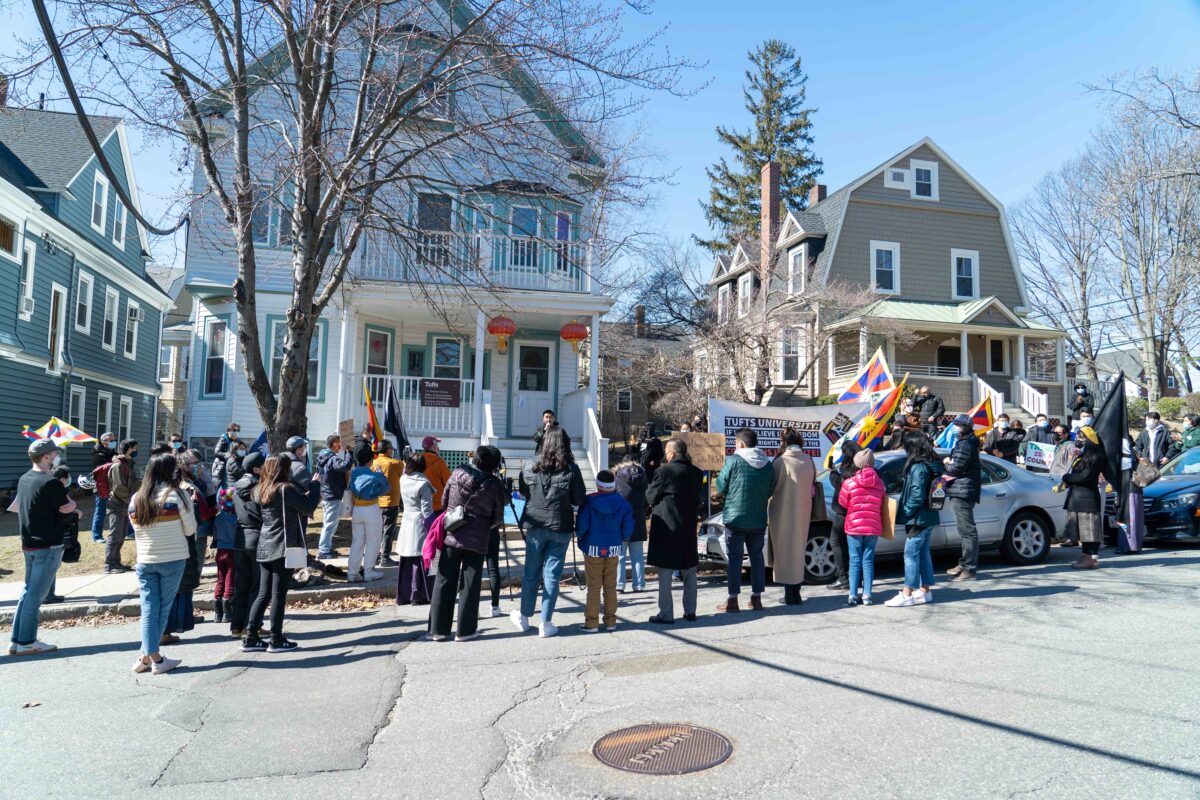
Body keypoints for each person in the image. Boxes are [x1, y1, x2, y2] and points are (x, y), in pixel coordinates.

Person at [243, 454, 322, 653]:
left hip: (265, 542)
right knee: (278, 595)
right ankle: (276, 639)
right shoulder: (285, 489)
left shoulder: (259, 489)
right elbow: (308, 507)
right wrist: (315, 486)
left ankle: (250, 637)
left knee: (263, 593)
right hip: (283, 545)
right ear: (283, 470)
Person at [513, 427, 586, 637]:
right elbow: (579, 500)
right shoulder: (571, 469)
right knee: (552, 576)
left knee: (530, 574)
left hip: (535, 525)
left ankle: (525, 617)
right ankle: (545, 622)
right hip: (559, 525)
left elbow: (524, 493)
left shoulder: (528, 466)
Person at [428, 446, 506, 642]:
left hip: (452, 532)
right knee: (470, 585)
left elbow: (445, 501)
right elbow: (497, 518)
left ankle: (438, 629)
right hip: (478, 538)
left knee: (444, 580)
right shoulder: (495, 485)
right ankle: (465, 630)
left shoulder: (457, 472)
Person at [7, 440, 75, 656]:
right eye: (54, 454)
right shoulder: (50, 483)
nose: (56, 458)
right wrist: (74, 507)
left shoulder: (25, 479)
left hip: (29, 544)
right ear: (46, 457)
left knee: (28, 592)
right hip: (48, 545)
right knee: (35, 595)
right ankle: (27, 641)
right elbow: (66, 510)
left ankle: (17, 640)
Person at [128, 453, 194, 672]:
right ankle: (155, 658)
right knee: (162, 609)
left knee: (149, 609)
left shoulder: (137, 498)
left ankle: (146, 658)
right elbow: (190, 529)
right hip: (172, 558)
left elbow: (135, 527)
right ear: (171, 472)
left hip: (145, 559)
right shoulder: (177, 495)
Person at [714, 427, 775, 613]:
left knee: (735, 559)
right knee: (757, 558)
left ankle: (733, 600)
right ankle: (756, 599)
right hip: (758, 517)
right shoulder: (768, 464)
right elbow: (771, 489)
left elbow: (720, 485)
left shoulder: (733, 461)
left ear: (740, 443)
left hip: (735, 517)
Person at [647, 439, 704, 624]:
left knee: (665, 573)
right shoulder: (696, 472)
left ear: (671, 453)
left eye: (666, 451)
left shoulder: (664, 471)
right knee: (689, 571)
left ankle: (666, 613)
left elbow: (650, 496)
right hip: (687, 527)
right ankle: (690, 611)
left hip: (667, 528)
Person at [885, 433, 940, 607]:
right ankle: (925, 591)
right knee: (923, 554)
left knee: (910, 555)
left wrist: (906, 512)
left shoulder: (918, 468)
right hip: (928, 516)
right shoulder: (931, 464)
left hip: (919, 518)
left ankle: (907, 593)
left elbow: (917, 495)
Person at [576, 470, 634, 633]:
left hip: (592, 548)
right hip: (613, 549)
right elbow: (628, 527)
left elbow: (582, 525)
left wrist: (580, 537)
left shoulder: (588, 501)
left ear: (598, 485)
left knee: (593, 587)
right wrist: (623, 538)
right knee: (610, 586)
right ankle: (610, 621)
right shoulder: (623, 504)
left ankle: (591, 623)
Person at [768, 427, 816, 605]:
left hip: (781, 511)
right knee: (798, 548)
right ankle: (796, 592)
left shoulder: (780, 462)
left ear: (784, 442)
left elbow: (770, 486)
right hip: (803, 511)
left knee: (784, 550)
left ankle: (789, 593)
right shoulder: (809, 460)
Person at [838, 449, 886, 606]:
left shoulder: (849, 483)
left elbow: (843, 503)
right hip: (873, 526)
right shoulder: (880, 484)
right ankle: (867, 595)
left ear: (857, 463)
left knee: (854, 560)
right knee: (868, 561)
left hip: (854, 526)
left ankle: (852, 595)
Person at [229, 452, 265, 638]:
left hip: (239, 538)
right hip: (257, 536)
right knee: (257, 586)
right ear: (256, 469)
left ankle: (237, 626)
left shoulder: (235, 487)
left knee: (241, 584)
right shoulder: (259, 487)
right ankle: (252, 626)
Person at [1061, 427, 1106, 570]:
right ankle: (1086, 555)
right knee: (1083, 532)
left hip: (1087, 498)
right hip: (1078, 497)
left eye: (1081, 437)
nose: (1079, 440)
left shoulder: (1095, 455)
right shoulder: (1085, 453)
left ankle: (1091, 559)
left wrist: (1066, 477)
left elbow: (1085, 477)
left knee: (1090, 532)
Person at [944, 414, 982, 581]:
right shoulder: (966, 442)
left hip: (963, 490)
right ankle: (964, 563)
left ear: (964, 427)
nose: (955, 427)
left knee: (967, 531)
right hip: (962, 489)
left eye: (957, 425)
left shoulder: (966, 444)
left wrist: (946, 463)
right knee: (965, 530)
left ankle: (969, 569)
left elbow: (956, 469)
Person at [347, 443, 390, 582]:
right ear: (370, 460)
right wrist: (379, 473)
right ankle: (369, 571)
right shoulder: (374, 475)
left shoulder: (353, 473)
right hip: (371, 509)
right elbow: (385, 488)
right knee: (373, 541)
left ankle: (352, 573)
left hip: (357, 510)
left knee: (357, 542)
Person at [396, 452, 434, 605]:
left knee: (406, 558)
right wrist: (433, 527)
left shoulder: (403, 479)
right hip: (419, 522)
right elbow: (427, 511)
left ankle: (405, 595)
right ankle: (419, 595)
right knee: (420, 559)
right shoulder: (423, 483)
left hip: (406, 520)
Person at [826, 441, 862, 592]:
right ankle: (857, 578)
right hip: (858, 511)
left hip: (844, 511)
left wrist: (832, 472)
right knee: (853, 546)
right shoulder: (862, 468)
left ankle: (843, 578)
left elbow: (840, 485)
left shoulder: (847, 469)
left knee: (836, 541)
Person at [43, 465, 81, 604]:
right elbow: (62, 512)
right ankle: (48, 595)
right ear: (63, 479)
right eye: (68, 477)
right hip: (55, 535)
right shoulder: (57, 491)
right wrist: (74, 514)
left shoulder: (52, 489)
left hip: (53, 534)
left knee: (52, 566)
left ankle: (49, 593)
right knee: (51, 566)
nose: (69, 479)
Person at [614, 453, 648, 593]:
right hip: (638, 519)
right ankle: (639, 584)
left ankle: (620, 584)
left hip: (621, 520)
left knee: (620, 556)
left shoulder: (617, 477)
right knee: (637, 556)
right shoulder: (643, 477)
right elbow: (647, 499)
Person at [313, 435, 351, 561]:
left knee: (328, 524)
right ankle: (324, 550)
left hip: (327, 494)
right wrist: (349, 452)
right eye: (340, 443)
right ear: (335, 444)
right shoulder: (332, 458)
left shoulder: (323, 457)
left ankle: (326, 548)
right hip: (332, 496)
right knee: (330, 525)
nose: (341, 445)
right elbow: (345, 466)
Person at [104, 439, 139, 575]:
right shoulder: (118, 466)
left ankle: (116, 562)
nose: (136, 450)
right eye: (135, 448)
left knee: (121, 535)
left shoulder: (128, 464)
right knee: (115, 535)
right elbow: (119, 488)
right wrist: (132, 501)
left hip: (124, 506)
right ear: (129, 449)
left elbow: (132, 484)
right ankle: (109, 564)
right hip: (117, 505)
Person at [373, 440, 404, 568]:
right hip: (391, 501)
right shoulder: (395, 463)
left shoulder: (373, 463)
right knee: (388, 530)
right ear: (387, 450)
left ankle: (374, 557)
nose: (392, 451)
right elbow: (404, 472)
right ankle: (385, 557)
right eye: (391, 449)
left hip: (376, 501)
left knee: (377, 531)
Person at [211, 488, 238, 624]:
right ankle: (227, 608)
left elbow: (215, 535)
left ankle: (217, 611)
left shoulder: (218, 517)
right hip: (232, 550)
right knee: (230, 579)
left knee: (220, 579)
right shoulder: (237, 518)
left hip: (220, 550)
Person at [90, 432, 117, 543]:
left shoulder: (112, 452)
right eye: (111, 440)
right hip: (101, 485)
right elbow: (102, 468)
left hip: (113, 485)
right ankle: (96, 536)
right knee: (100, 511)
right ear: (103, 441)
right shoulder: (97, 454)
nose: (113, 442)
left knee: (118, 509)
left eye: (114, 440)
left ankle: (125, 532)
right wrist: (114, 461)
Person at [420, 436, 452, 514]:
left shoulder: (418, 460)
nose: (438, 447)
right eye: (437, 445)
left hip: (420, 503)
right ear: (434, 447)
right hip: (437, 505)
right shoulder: (439, 462)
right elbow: (449, 482)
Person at [212, 423, 241, 488]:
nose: (236, 432)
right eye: (234, 430)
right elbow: (217, 452)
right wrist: (229, 455)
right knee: (222, 489)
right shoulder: (223, 439)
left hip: (233, 467)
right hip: (222, 468)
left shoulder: (238, 441)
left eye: (238, 430)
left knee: (230, 489)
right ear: (228, 431)